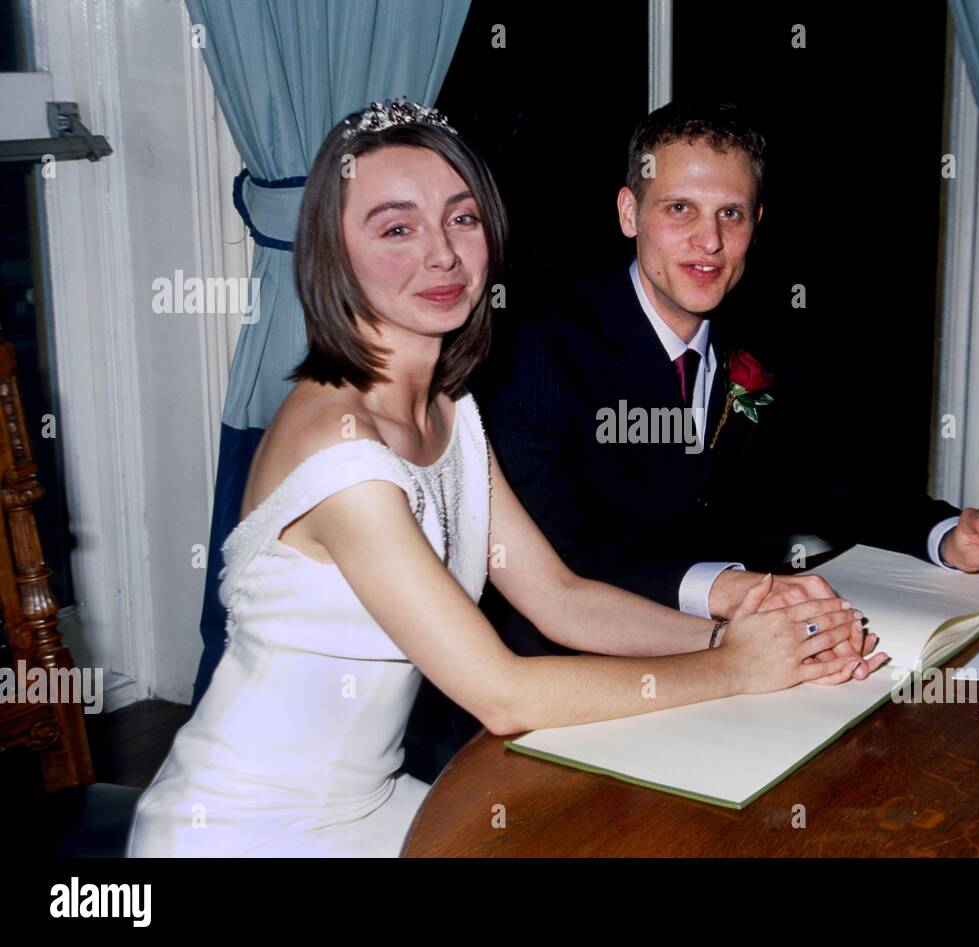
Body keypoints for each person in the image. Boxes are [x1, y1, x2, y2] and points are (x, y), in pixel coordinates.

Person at [126, 101, 881, 858]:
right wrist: (733, 666)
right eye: (397, 228)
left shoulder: (449, 407)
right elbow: (502, 693)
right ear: (335, 248)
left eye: (461, 219)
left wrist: (753, 639)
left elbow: (561, 598)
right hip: (243, 831)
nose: (442, 256)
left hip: (379, 802)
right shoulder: (342, 451)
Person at [468, 100, 979, 669]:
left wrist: (943, 533)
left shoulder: (761, 334)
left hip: (730, 652)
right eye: (680, 209)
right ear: (629, 213)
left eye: (731, 214)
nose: (709, 241)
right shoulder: (536, 349)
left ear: (756, 222)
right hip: (568, 665)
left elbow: (834, 481)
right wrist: (727, 589)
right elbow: (557, 568)